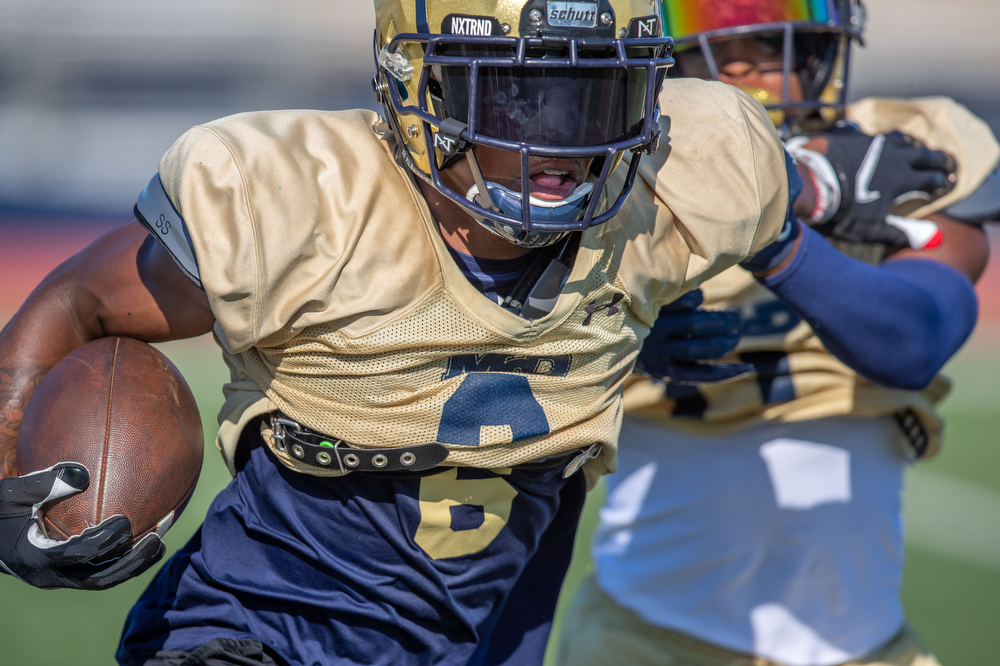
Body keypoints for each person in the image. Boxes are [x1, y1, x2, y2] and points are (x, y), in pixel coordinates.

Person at [0, 1, 796, 665]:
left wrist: (632, 319)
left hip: (475, 639)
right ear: (423, 87)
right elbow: (77, 300)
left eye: (595, 100)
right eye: (520, 99)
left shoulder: (650, 218)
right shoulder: (319, 207)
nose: (561, 141)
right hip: (251, 636)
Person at [558, 1, 999, 665]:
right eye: (708, 49)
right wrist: (614, 346)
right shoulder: (611, 179)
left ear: (822, 52)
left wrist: (774, 223)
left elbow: (913, 338)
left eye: (768, 41)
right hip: (642, 637)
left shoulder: (905, 155)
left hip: (863, 646)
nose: (740, 66)